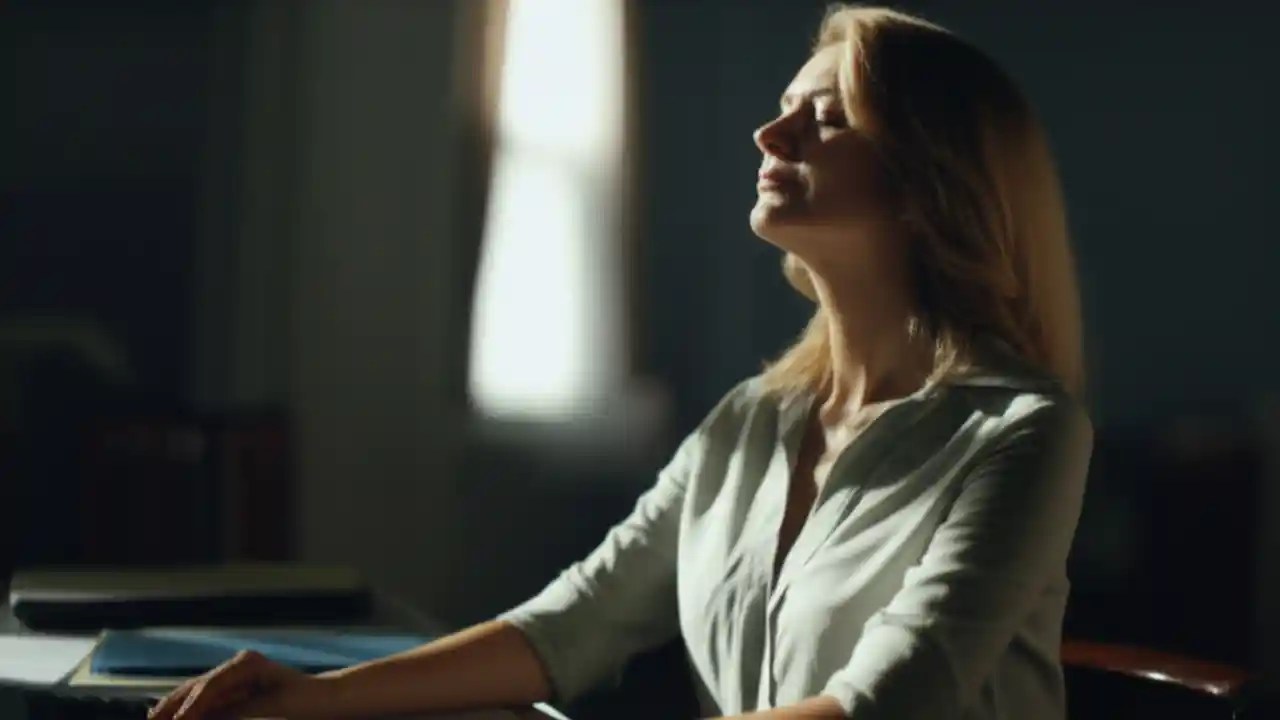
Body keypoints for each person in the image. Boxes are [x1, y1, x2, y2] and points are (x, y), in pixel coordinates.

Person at [149, 5, 1092, 720]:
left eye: (825, 117)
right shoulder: (753, 421)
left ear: (931, 185)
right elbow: (574, 623)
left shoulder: (1022, 433)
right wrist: (311, 698)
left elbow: (892, 700)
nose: (772, 136)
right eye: (781, 109)